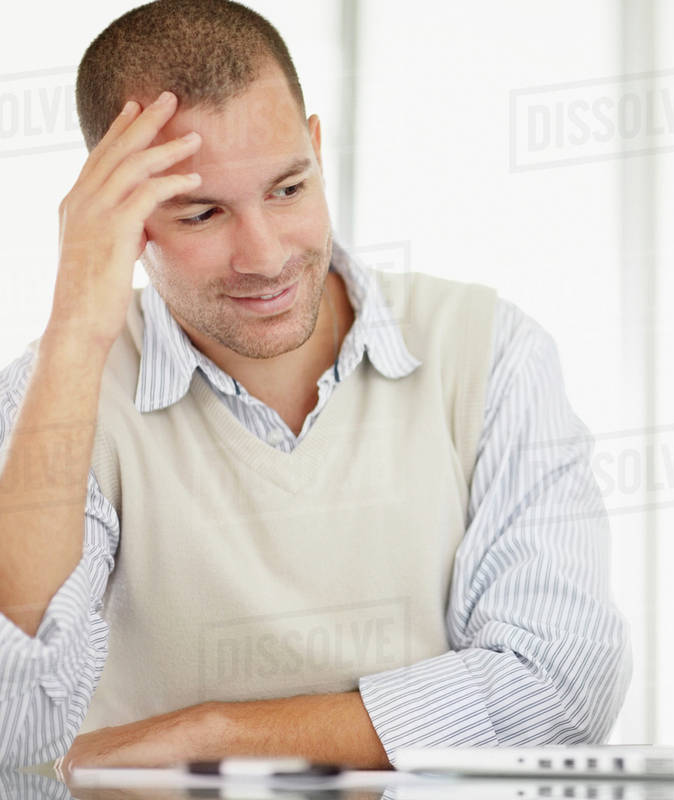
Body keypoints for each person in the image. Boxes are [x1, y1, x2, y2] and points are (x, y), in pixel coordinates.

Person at [0, 0, 629, 771]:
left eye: (289, 189)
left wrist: (212, 740)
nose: (263, 255)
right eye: (202, 214)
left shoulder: (493, 355)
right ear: (123, 221)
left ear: (318, 150)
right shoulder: (59, 395)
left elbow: (559, 690)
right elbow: (15, 726)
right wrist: (74, 335)